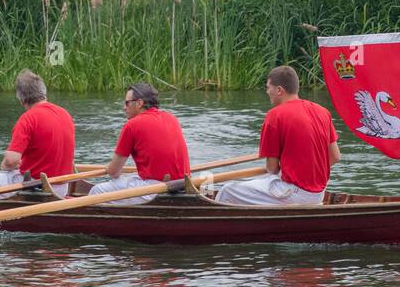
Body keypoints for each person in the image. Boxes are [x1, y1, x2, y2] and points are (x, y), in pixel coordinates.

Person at [213, 65, 340, 205]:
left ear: (279, 90)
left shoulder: (274, 116)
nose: (267, 92)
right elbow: (335, 156)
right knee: (262, 182)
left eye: (268, 87)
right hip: (318, 195)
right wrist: (307, 170)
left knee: (227, 191)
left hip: (294, 194)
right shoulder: (322, 111)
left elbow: (272, 168)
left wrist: (296, 173)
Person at [0, 70, 76, 198]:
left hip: (36, 187)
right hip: (61, 188)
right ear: (44, 93)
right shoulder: (65, 114)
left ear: (21, 99)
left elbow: (10, 160)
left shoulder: (28, 119)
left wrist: (5, 165)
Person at [87, 83, 190, 205]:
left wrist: (109, 169)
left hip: (157, 189)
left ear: (139, 103)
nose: (124, 108)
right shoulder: (172, 118)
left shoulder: (132, 125)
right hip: (183, 184)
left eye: (127, 103)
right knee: (127, 179)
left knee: (97, 191)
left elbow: (114, 172)